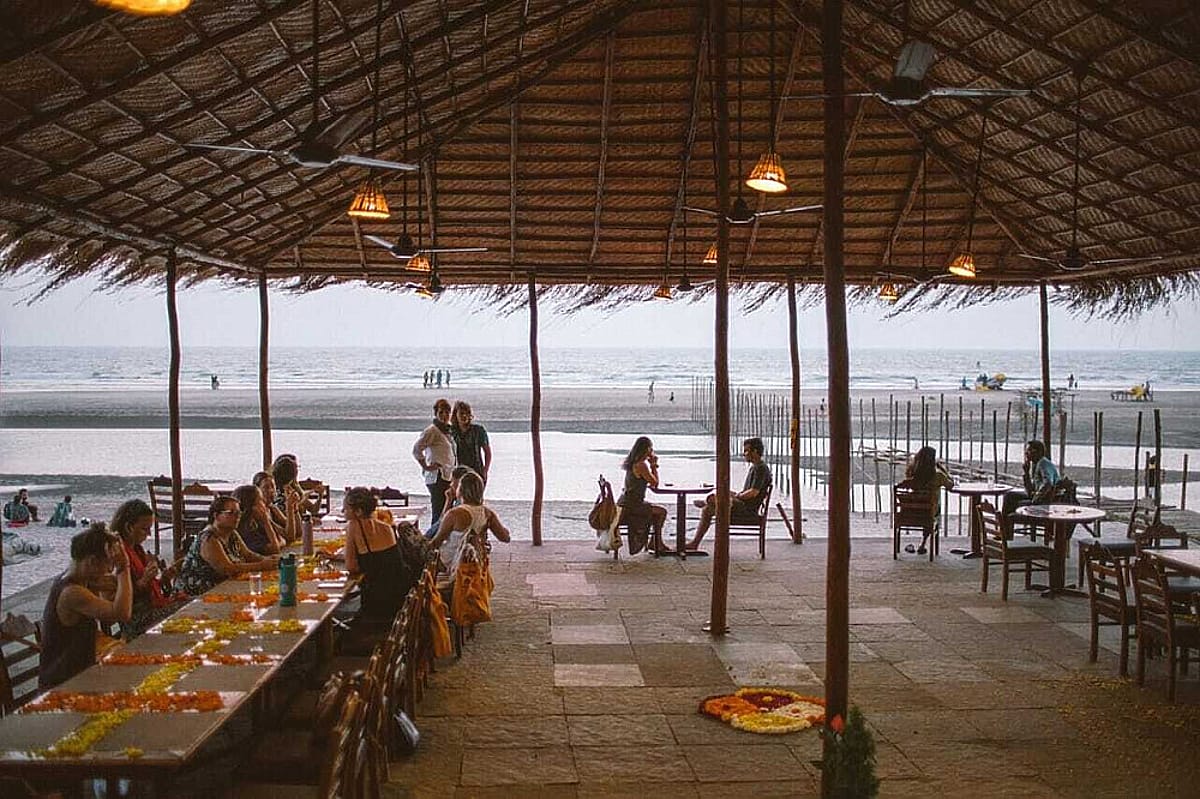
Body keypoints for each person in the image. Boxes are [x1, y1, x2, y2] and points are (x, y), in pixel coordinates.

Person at [39, 523, 132, 689]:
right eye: (108, 564)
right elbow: (122, 613)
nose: (109, 570)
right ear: (92, 561)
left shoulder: (76, 578)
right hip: (63, 685)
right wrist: (123, 567)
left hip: (78, 675)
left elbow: (114, 586)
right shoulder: (72, 593)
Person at [110, 499, 186, 638]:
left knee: (197, 602)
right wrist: (144, 581)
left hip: (151, 608)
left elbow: (148, 588)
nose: (149, 534)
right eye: (144, 529)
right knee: (193, 606)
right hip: (137, 620)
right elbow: (116, 598)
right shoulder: (118, 554)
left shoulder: (137, 549)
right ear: (128, 527)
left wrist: (164, 579)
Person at [177, 496, 279, 596]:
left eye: (239, 513)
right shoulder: (209, 539)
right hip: (198, 593)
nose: (237, 516)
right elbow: (227, 569)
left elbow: (248, 554)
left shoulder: (231, 532)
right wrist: (262, 565)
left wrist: (268, 560)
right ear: (216, 516)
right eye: (231, 513)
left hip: (224, 585)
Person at [341, 486, 415, 621]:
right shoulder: (387, 527)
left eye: (345, 509)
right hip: (400, 599)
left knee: (341, 609)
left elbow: (352, 567)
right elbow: (378, 558)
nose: (342, 511)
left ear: (358, 511)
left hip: (377, 607)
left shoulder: (354, 526)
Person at [688, 437, 772, 551]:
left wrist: (737, 496)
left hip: (747, 510)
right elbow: (748, 492)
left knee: (714, 499)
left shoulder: (760, 469)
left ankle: (709, 502)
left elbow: (753, 492)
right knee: (709, 508)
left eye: (746, 451)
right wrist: (733, 494)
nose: (744, 454)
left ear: (755, 451)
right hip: (743, 504)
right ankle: (694, 543)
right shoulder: (755, 467)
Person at [430, 470, 510, 579]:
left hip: (449, 562)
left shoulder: (454, 514)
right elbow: (505, 538)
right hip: (475, 562)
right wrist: (504, 530)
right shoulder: (488, 514)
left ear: (461, 490)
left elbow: (436, 542)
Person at [615, 436, 667, 555]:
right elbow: (655, 483)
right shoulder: (641, 465)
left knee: (656, 510)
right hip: (633, 506)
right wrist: (654, 465)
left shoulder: (632, 463)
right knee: (662, 512)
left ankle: (655, 542)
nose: (652, 451)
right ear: (646, 449)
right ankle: (656, 542)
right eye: (650, 448)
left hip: (625, 502)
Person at [413, 398, 457, 533]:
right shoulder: (432, 430)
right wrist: (425, 466)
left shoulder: (448, 431)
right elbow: (416, 449)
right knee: (439, 511)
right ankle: (432, 538)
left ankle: (441, 537)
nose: (444, 415)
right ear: (436, 414)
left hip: (448, 475)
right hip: (437, 477)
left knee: (447, 510)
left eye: (447, 412)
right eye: (441, 412)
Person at [900, 446, 954, 555]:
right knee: (932, 507)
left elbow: (903, 484)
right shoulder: (938, 476)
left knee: (927, 505)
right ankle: (923, 543)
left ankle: (923, 544)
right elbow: (950, 485)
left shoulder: (912, 475)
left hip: (910, 512)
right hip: (929, 512)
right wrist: (944, 470)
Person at [1002, 440, 1061, 521]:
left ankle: (1006, 523)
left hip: (1045, 502)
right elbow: (1030, 491)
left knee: (1016, 504)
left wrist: (1035, 498)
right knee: (1009, 495)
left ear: (1038, 452)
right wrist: (1026, 473)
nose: (1026, 453)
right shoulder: (1036, 464)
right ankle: (1004, 523)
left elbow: (1048, 483)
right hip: (1038, 497)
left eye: (1029, 450)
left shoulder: (1043, 463)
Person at [232, 484, 285, 556]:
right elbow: (275, 548)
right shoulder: (245, 531)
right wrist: (266, 521)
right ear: (251, 506)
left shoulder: (256, 523)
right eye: (261, 500)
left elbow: (282, 539)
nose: (264, 502)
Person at [451, 400, 492, 485]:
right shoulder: (452, 431)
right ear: (456, 415)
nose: (464, 416)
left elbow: (487, 452)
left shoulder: (478, 430)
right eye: (461, 413)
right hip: (459, 472)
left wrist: (485, 470)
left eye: (467, 413)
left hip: (477, 471)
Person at [253, 470, 298, 544]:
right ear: (257, 491)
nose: (271, 490)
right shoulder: (259, 513)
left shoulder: (272, 508)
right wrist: (289, 508)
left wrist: (295, 508)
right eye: (266, 487)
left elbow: (297, 532)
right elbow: (290, 537)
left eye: (273, 486)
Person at [271, 453, 319, 517]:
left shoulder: (291, 489)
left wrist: (320, 496)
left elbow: (313, 509)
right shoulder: (284, 492)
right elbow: (286, 516)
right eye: (295, 467)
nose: (297, 470)